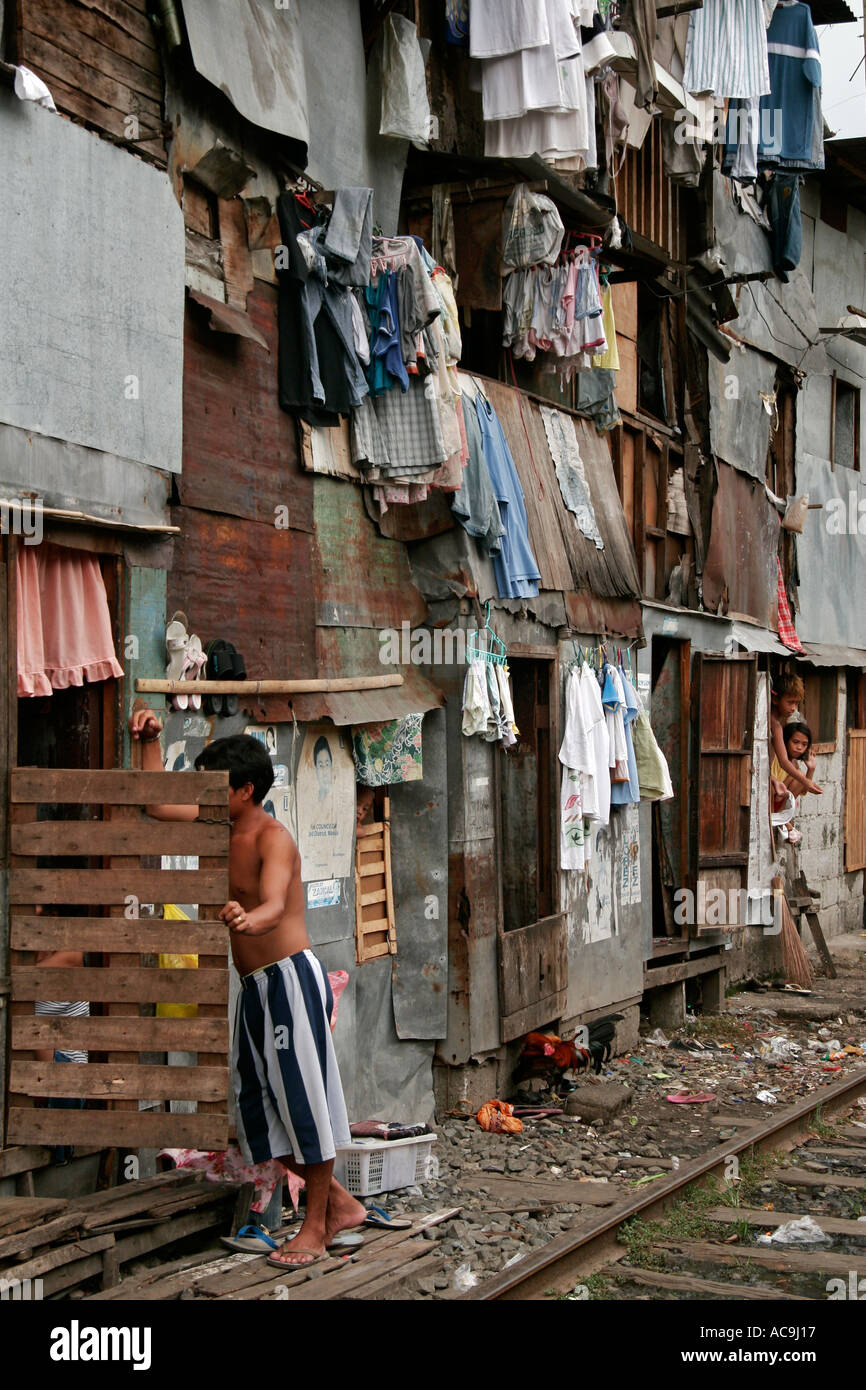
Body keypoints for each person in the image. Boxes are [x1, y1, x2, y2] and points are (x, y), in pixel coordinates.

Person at [129, 705, 367, 1267]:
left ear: (245, 790)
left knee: (304, 1098)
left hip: (288, 978)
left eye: (215, 785)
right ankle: (339, 1203)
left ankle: (314, 1226)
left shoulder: (273, 837)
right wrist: (148, 739)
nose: (205, 793)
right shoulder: (223, 822)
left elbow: (276, 905)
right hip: (254, 987)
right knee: (256, 1106)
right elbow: (156, 802)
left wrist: (247, 919)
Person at [769, 674, 822, 806]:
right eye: (790, 702)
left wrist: (807, 777)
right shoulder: (774, 724)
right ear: (775, 700)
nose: (793, 708)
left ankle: (784, 821)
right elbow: (783, 762)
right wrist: (806, 782)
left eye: (796, 703)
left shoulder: (779, 723)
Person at [772, 722, 818, 845]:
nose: (799, 748)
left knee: (799, 776)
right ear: (785, 741)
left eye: (804, 744)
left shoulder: (794, 764)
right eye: (795, 742)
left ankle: (781, 818)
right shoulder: (776, 757)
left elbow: (802, 790)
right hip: (769, 800)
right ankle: (782, 819)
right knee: (798, 776)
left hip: (779, 803)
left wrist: (811, 769)